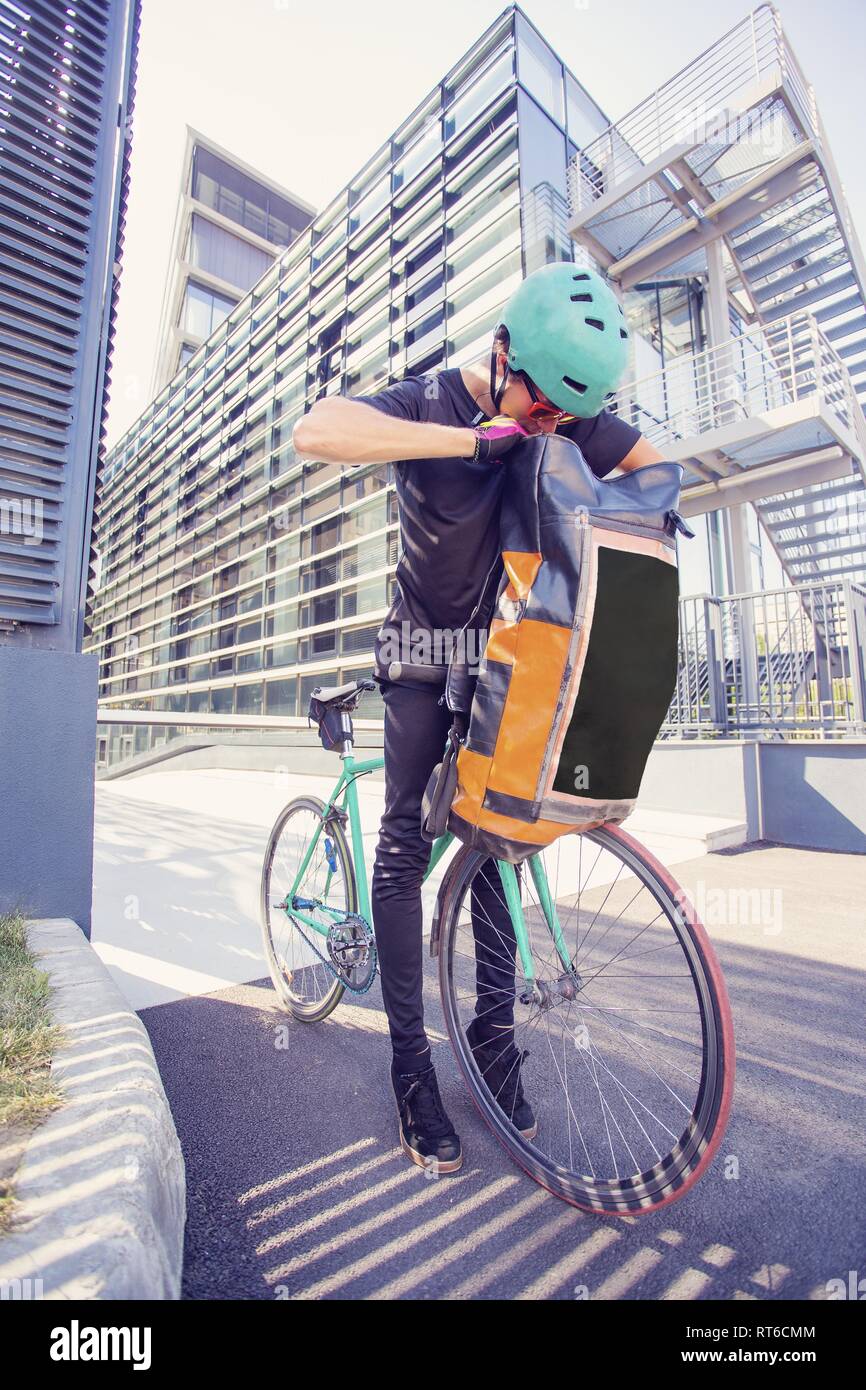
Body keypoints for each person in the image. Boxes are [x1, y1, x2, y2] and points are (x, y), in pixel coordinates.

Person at [293, 262, 664, 1173]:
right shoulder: (428, 400)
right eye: (538, 413)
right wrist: (471, 443)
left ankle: (492, 1051)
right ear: (502, 356)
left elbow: (654, 468)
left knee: (500, 842)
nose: (549, 431)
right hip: (421, 661)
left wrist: (634, 500)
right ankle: (412, 1072)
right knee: (404, 851)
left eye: (560, 423)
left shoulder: (564, 406)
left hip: (503, 661)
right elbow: (317, 430)